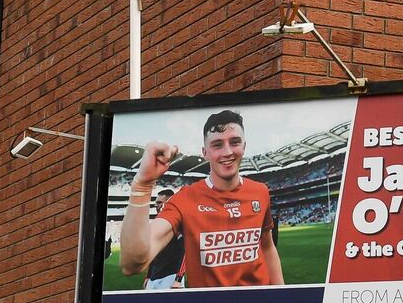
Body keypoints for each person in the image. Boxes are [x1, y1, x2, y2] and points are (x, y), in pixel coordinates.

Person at [119, 109, 284, 289]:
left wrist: (280, 295)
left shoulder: (260, 192)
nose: (227, 152)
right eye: (217, 145)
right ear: (205, 152)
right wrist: (142, 186)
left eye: (235, 142)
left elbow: (267, 247)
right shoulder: (185, 199)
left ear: (244, 146)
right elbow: (132, 264)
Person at [143, 188, 185, 290]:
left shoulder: (179, 224)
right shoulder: (157, 223)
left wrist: (178, 279)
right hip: (154, 277)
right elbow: (153, 253)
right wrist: (148, 276)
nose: (155, 205)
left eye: (159, 202)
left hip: (170, 277)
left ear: (169, 202)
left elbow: (185, 253)